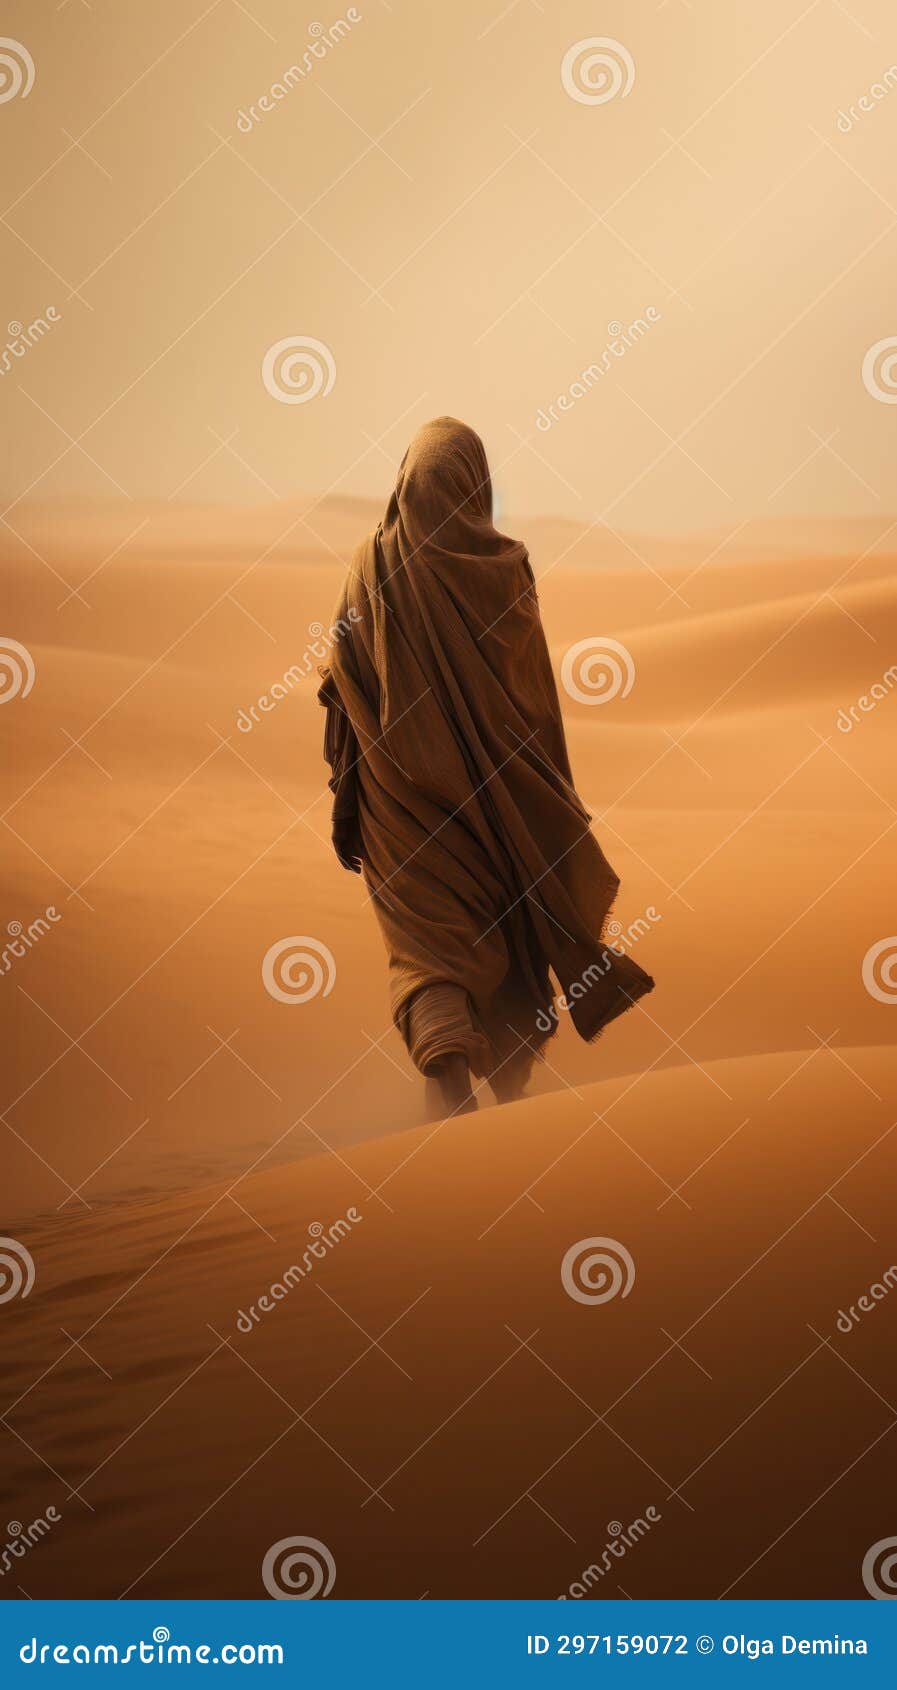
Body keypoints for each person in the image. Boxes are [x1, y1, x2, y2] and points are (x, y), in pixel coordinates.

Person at [318, 417, 653, 1117]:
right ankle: (493, 1101)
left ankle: (449, 1086)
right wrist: (540, 793)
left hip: (397, 810)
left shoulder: (366, 567)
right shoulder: (503, 570)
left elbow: (340, 693)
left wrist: (347, 798)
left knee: (427, 948)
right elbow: (530, 698)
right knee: (502, 934)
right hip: (494, 803)